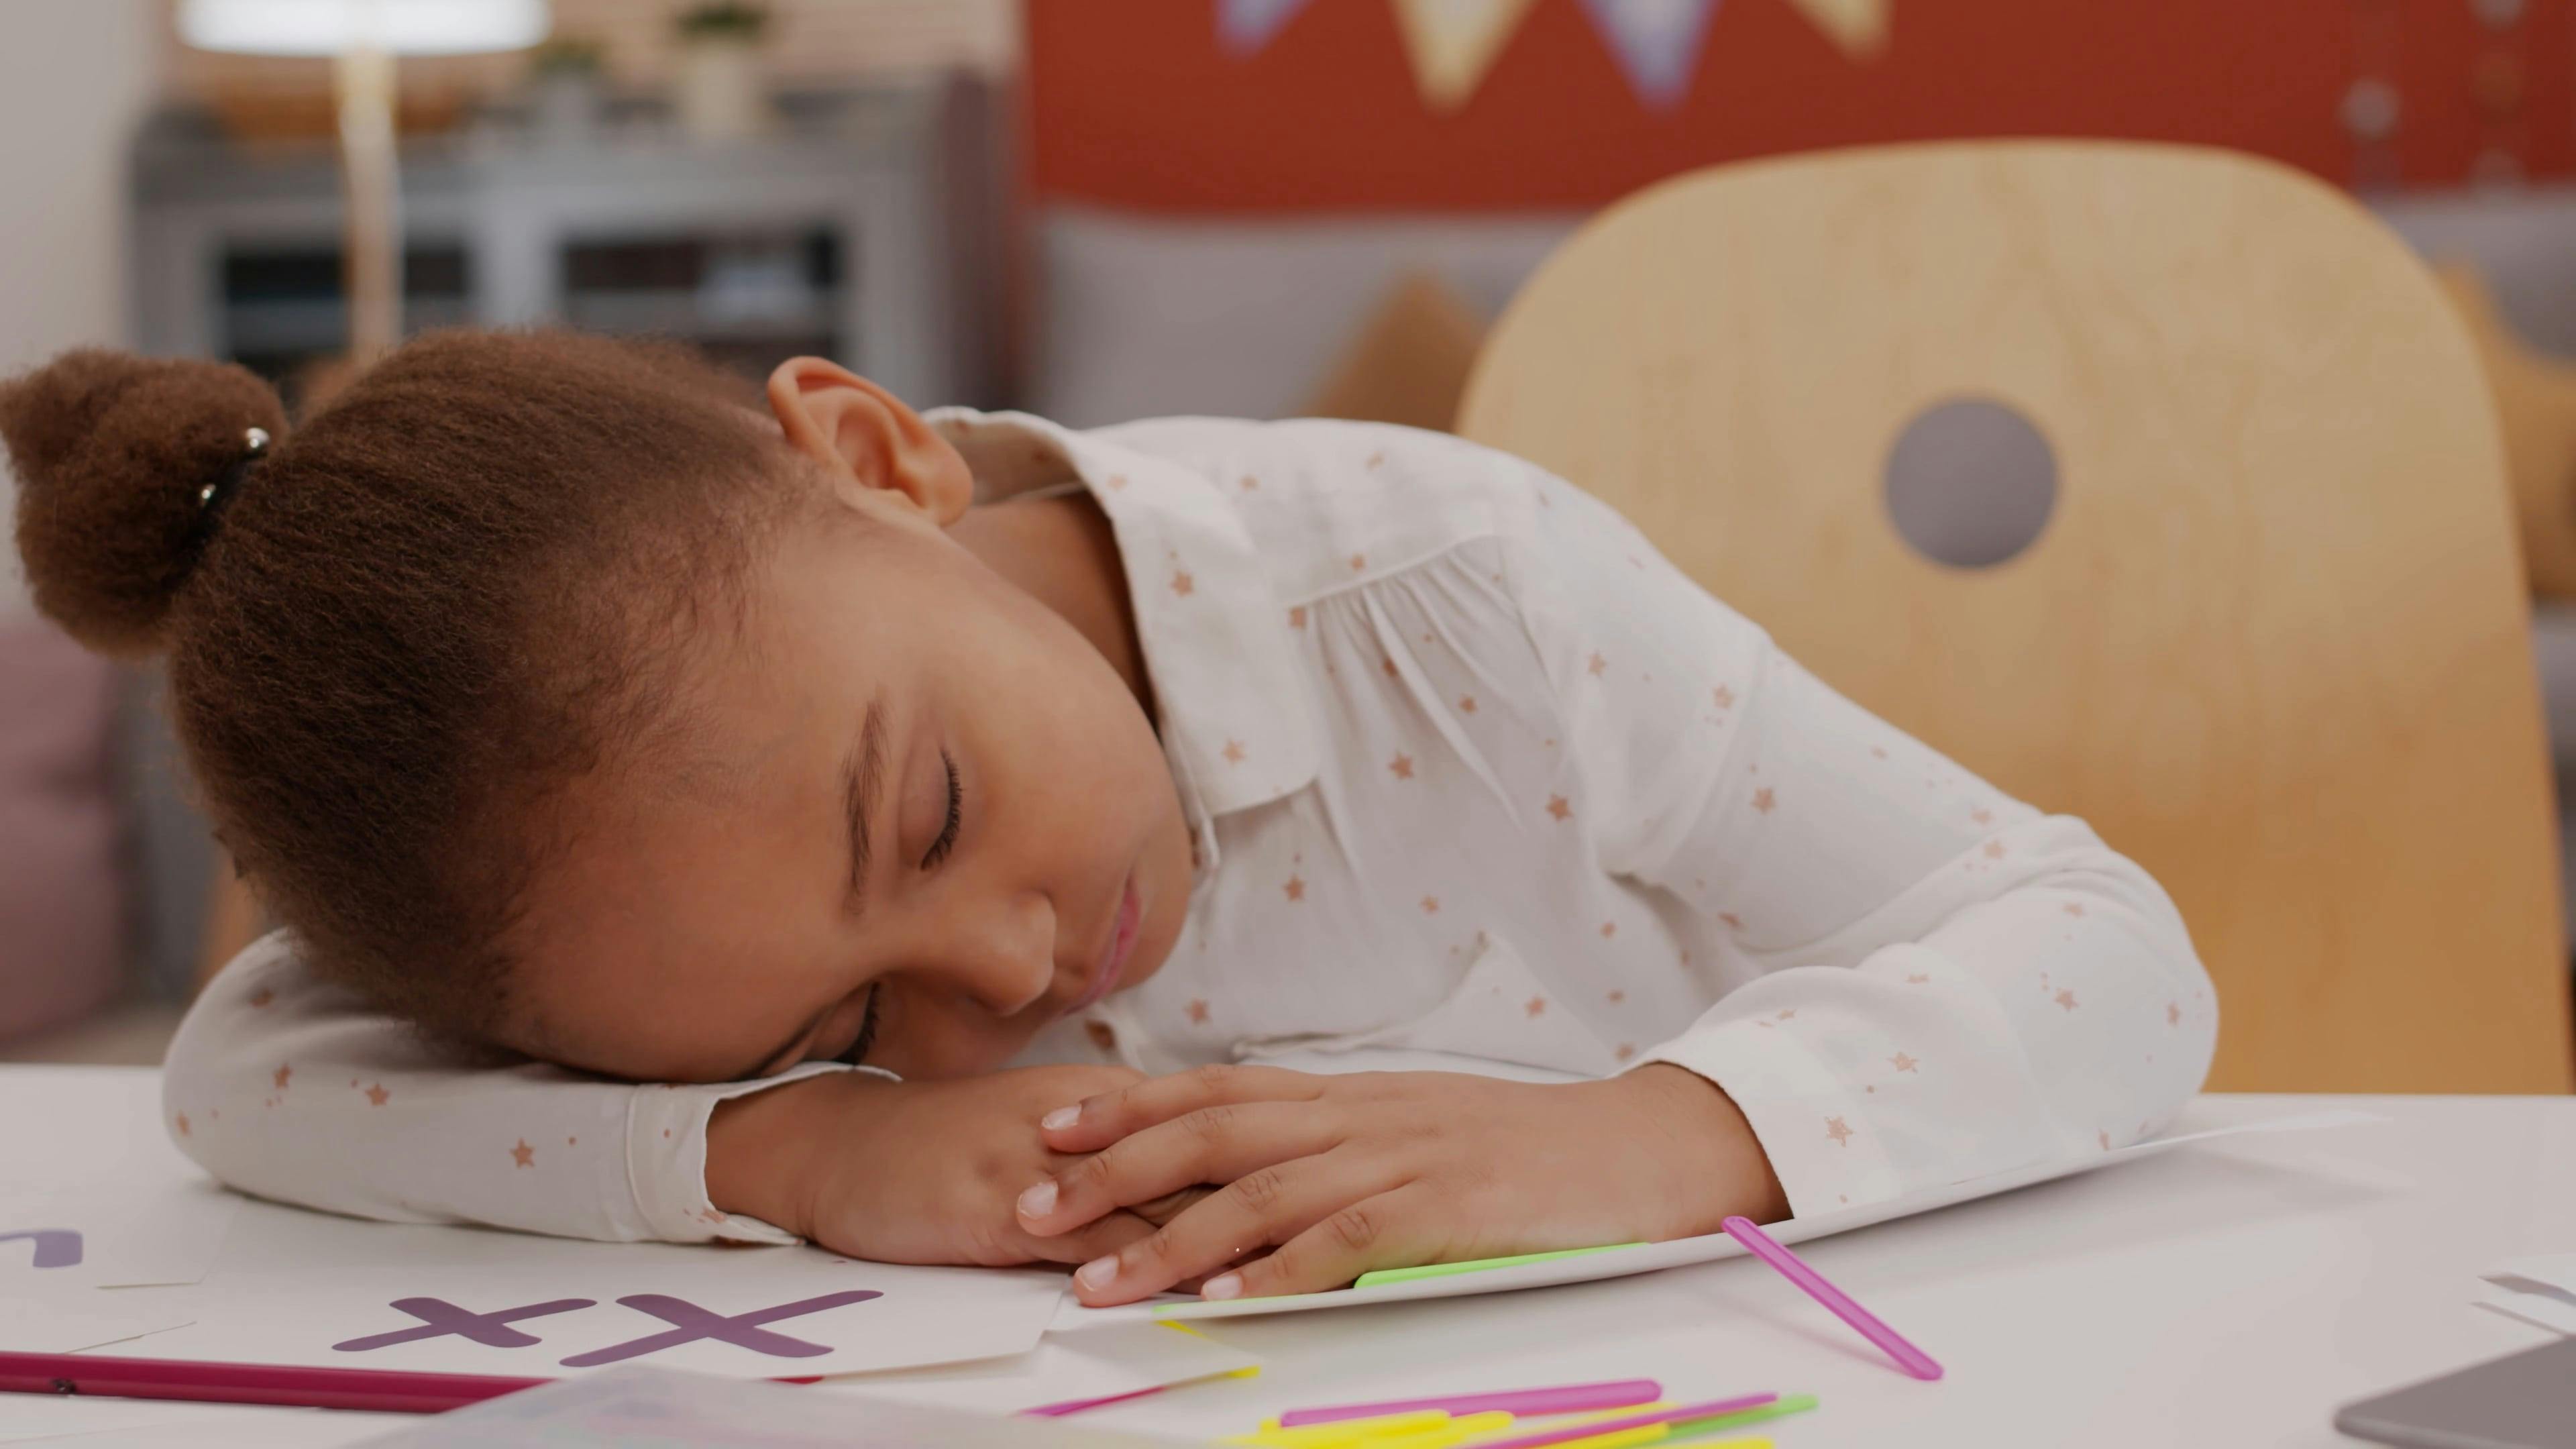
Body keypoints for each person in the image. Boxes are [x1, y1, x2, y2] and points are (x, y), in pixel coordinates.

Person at [1, 332, 2214, 1307]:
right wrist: (794, 1147)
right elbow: (244, 1076)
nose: (1001, 979)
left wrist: (1654, 1136)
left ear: (878, 459)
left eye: (934, 815)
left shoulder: (1452, 599)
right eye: (842, 1018)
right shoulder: (615, 890)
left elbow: (2106, 946)